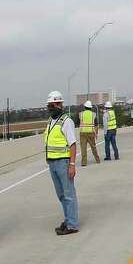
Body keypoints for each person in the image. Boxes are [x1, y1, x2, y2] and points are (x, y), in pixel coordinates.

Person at [44, 91, 80, 235]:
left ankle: (72, 224)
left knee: (68, 194)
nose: (54, 106)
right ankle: (68, 219)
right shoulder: (50, 121)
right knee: (61, 194)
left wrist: (72, 165)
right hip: (52, 163)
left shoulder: (66, 121)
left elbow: (72, 144)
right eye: (52, 104)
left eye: (57, 104)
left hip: (63, 163)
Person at [79, 100, 101, 166]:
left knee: (83, 148)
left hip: (82, 133)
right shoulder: (93, 114)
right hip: (91, 132)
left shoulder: (81, 114)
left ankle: (84, 162)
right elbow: (96, 125)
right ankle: (97, 159)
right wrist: (96, 134)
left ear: (85, 107)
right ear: (91, 107)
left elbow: (78, 123)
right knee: (93, 147)